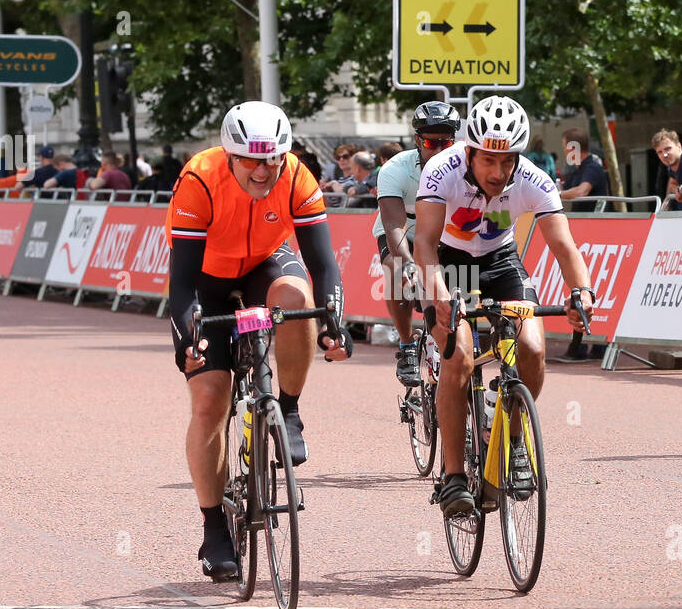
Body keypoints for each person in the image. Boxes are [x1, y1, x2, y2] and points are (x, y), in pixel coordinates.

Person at [164, 101, 352, 581]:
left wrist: (334, 319)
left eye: (272, 159)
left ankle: (287, 408)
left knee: (297, 298)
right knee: (209, 401)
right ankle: (213, 529)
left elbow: (325, 262)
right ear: (229, 155)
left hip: (266, 263)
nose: (263, 170)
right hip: (205, 278)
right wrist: (189, 335)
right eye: (250, 159)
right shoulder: (199, 179)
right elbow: (181, 281)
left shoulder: (297, 177)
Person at [415, 95, 595, 517]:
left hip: (499, 260)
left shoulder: (534, 179)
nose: (498, 173)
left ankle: (512, 439)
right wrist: (438, 292)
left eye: (507, 161)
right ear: (471, 152)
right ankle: (455, 476)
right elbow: (423, 242)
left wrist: (580, 291)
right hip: (448, 261)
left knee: (532, 347)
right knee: (458, 356)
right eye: (488, 161)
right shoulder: (441, 171)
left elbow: (563, 246)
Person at [373, 100, 461, 387]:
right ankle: (407, 344)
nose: (436, 149)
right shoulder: (394, 169)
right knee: (397, 271)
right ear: (416, 140)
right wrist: (409, 265)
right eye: (429, 143)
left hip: (441, 232)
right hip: (404, 232)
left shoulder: (464, 166)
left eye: (444, 143)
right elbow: (394, 226)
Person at [558, 127, 609, 211]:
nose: (564, 151)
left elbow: (581, 191)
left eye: (564, 148)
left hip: (592, 220)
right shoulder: (577, 170)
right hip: (581, 219)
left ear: (573, 148)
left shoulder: (592, 168)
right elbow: (566, 188)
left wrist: (557, 195)